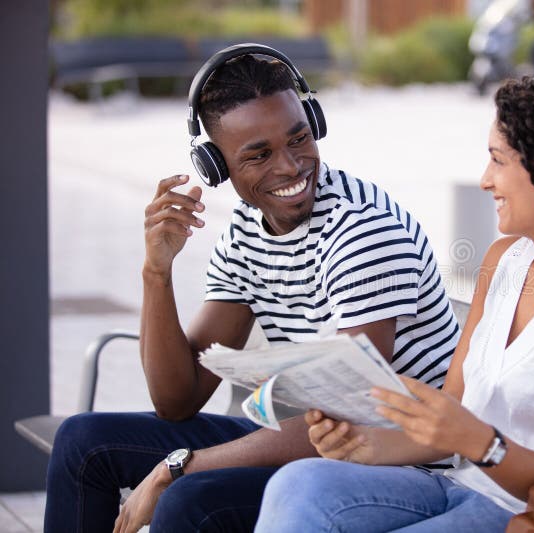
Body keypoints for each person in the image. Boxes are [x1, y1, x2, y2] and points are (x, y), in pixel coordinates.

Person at [254, 71, 534, 532]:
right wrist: (367, 446)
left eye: (498, 160)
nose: (485, 180)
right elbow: (455, 413)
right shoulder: (504, 262)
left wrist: (481, 443)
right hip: (463, 486)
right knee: (300, 484)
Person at [44, 45, 458, 533]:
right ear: (215, 166)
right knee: (83, 442)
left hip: (400, 465)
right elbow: (178, 399)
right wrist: (156, 272)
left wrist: (177, 467)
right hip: (309, 438)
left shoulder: (364, 231)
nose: (290, 167)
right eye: (258, 155)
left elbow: (345, 412)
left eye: (299, 139)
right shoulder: (246, 231)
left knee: (192, 497)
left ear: (315, 124)